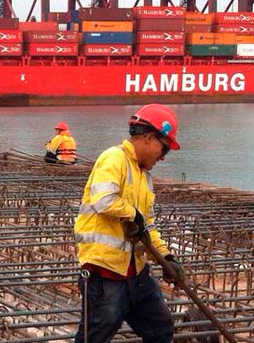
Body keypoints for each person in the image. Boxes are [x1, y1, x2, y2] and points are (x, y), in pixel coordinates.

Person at [73, 104, 186, 343]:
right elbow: (103, 200)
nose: (163, 156)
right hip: (105, 273)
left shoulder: (145, 176)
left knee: (160, 329)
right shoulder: (114, 158)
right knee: (94, 338)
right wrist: (133, 214)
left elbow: (148, 226)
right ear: (148, 138)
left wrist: (167, 257)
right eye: (164, 148)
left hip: (137, 274)